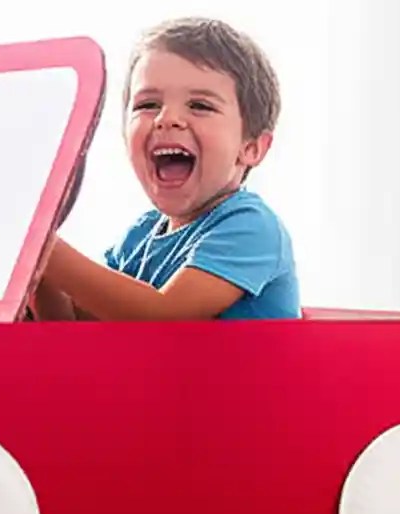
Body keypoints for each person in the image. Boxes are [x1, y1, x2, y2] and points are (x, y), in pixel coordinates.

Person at [32, 17, 300, 321]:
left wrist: (44, 246)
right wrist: (37, 271)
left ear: (251, 148)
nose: (166, 118)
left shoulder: (251, 226)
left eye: (200, 105)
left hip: (241, 371)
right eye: (148, 105)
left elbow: (165, 317)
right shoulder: (139, 236)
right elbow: (73, 328)